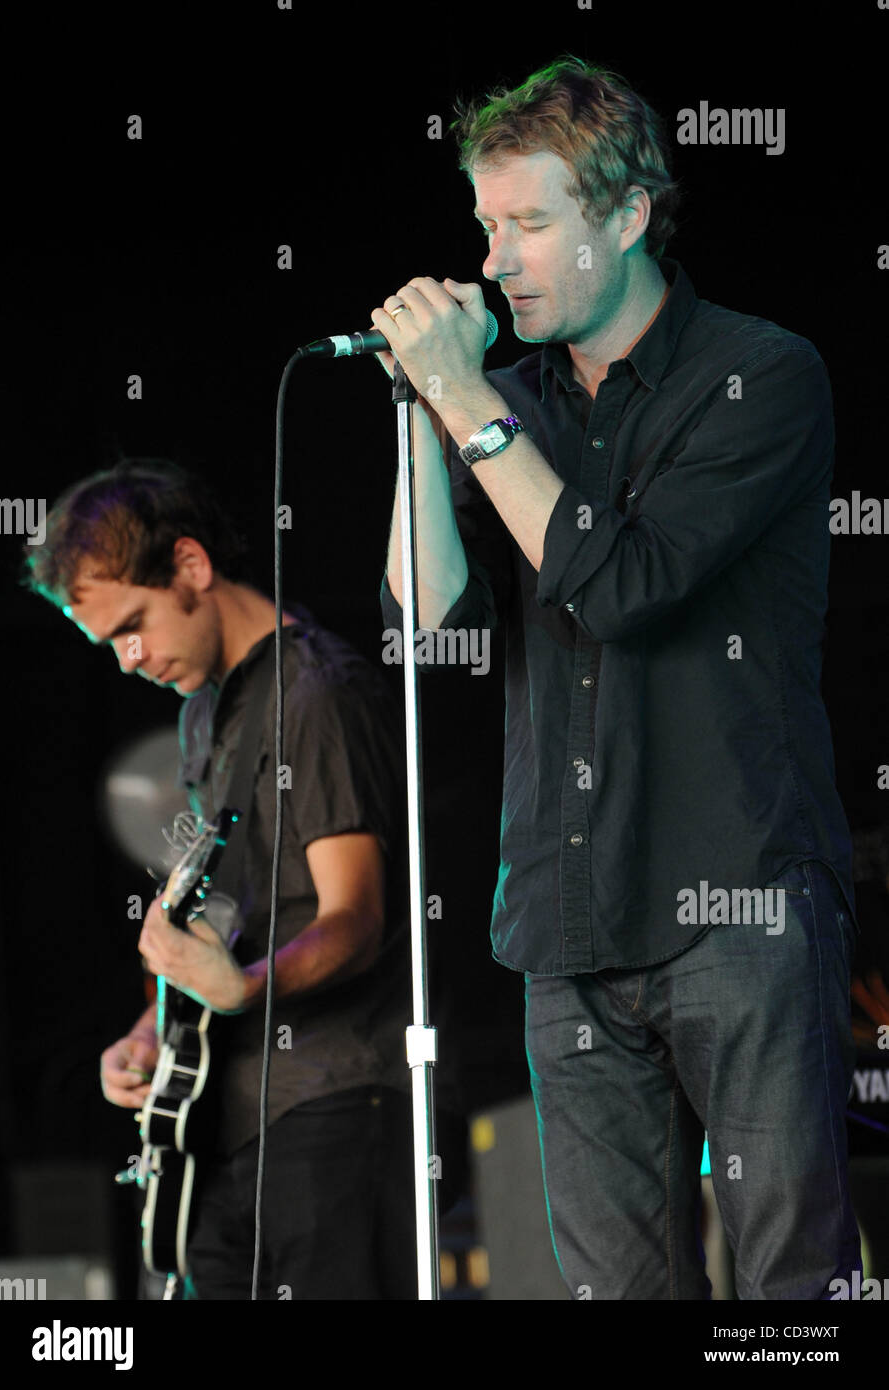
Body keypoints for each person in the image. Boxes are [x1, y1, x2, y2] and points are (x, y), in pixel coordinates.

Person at [375, 55, 861, 1300]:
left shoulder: (762, 373)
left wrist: (471, 406)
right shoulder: (507, 404)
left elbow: (626, 584)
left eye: (530, 222)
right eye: (486, 225)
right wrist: (420, 423)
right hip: (567, 915)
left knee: (786, 1290)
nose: (495, 260)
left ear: (629, 216)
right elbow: (427, 626)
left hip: (736, 901)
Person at [23, 457, 428, 1300]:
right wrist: (152, 1028)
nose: (128, 660)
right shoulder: (204, 713)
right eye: (108, 646)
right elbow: (230, 911)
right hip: (225, 1119)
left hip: (333, 1103)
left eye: (133, 625)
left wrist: (244, 989)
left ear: (191, 568)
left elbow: (355, 915)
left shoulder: (314, 692)